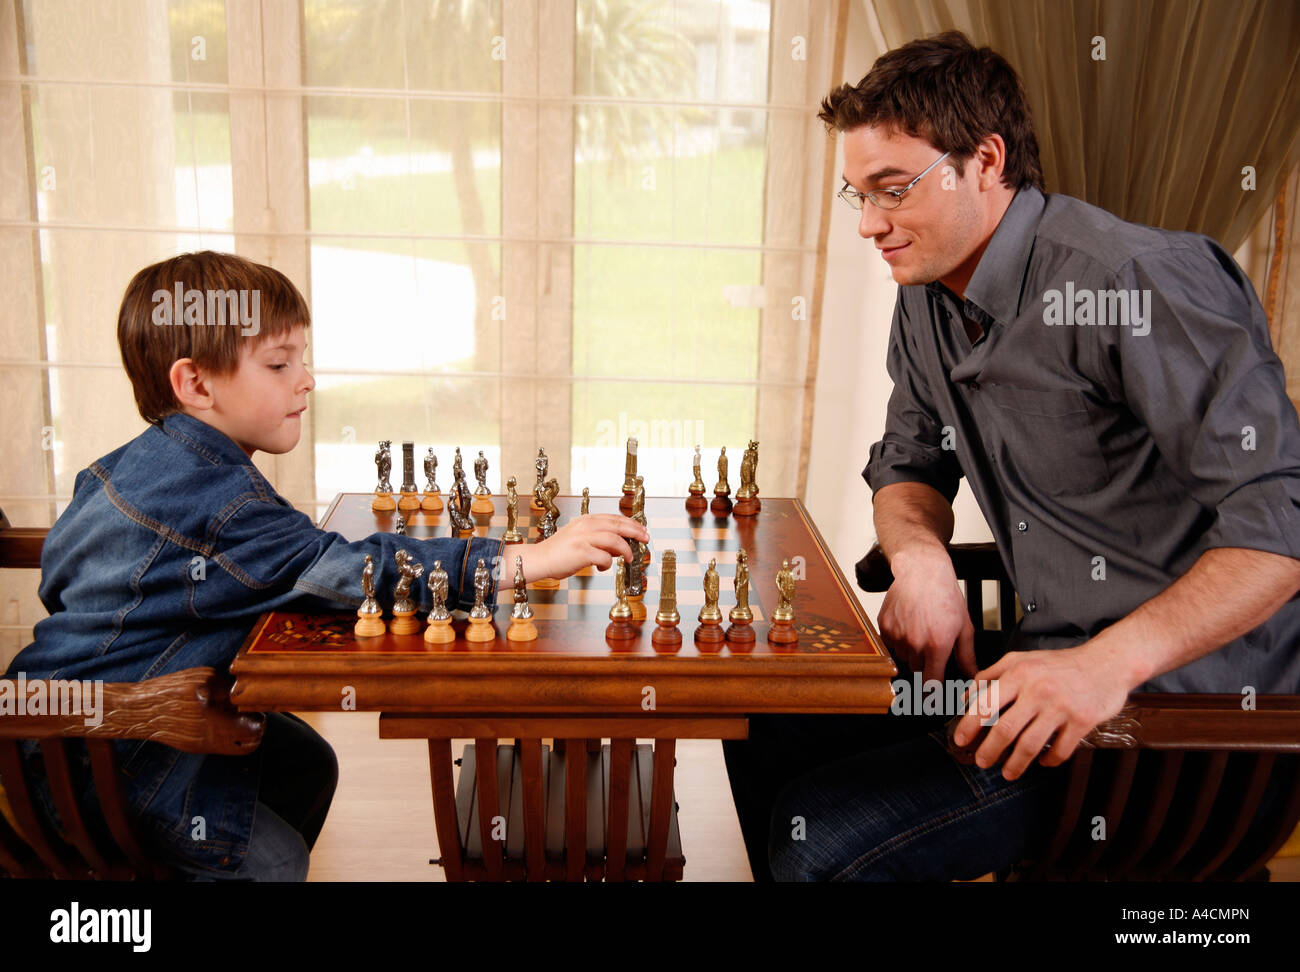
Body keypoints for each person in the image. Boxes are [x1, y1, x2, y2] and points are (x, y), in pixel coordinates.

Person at [725, 30, 1300, 882]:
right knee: (766, 712)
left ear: (986, 161)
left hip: (1182, 726)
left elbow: (1283, 523)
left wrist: (1107, 665)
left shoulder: (1137, 280)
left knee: (822, 847)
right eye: (857, 195)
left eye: (893, 190)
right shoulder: (925, 292)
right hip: (1038, 671)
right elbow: (908, 462)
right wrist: (918, 558)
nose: (870, 225)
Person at [5, 250, 648, 880]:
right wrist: (526, 558)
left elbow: (59, 579)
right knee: (276, 860)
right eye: (280, 364)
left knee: (307, 762)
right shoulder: (220, 503)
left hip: (43, 734)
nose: (306, 380)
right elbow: (343, 569)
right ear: (196, 383)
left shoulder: (133, 466)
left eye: (301, 361)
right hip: (102, 757)